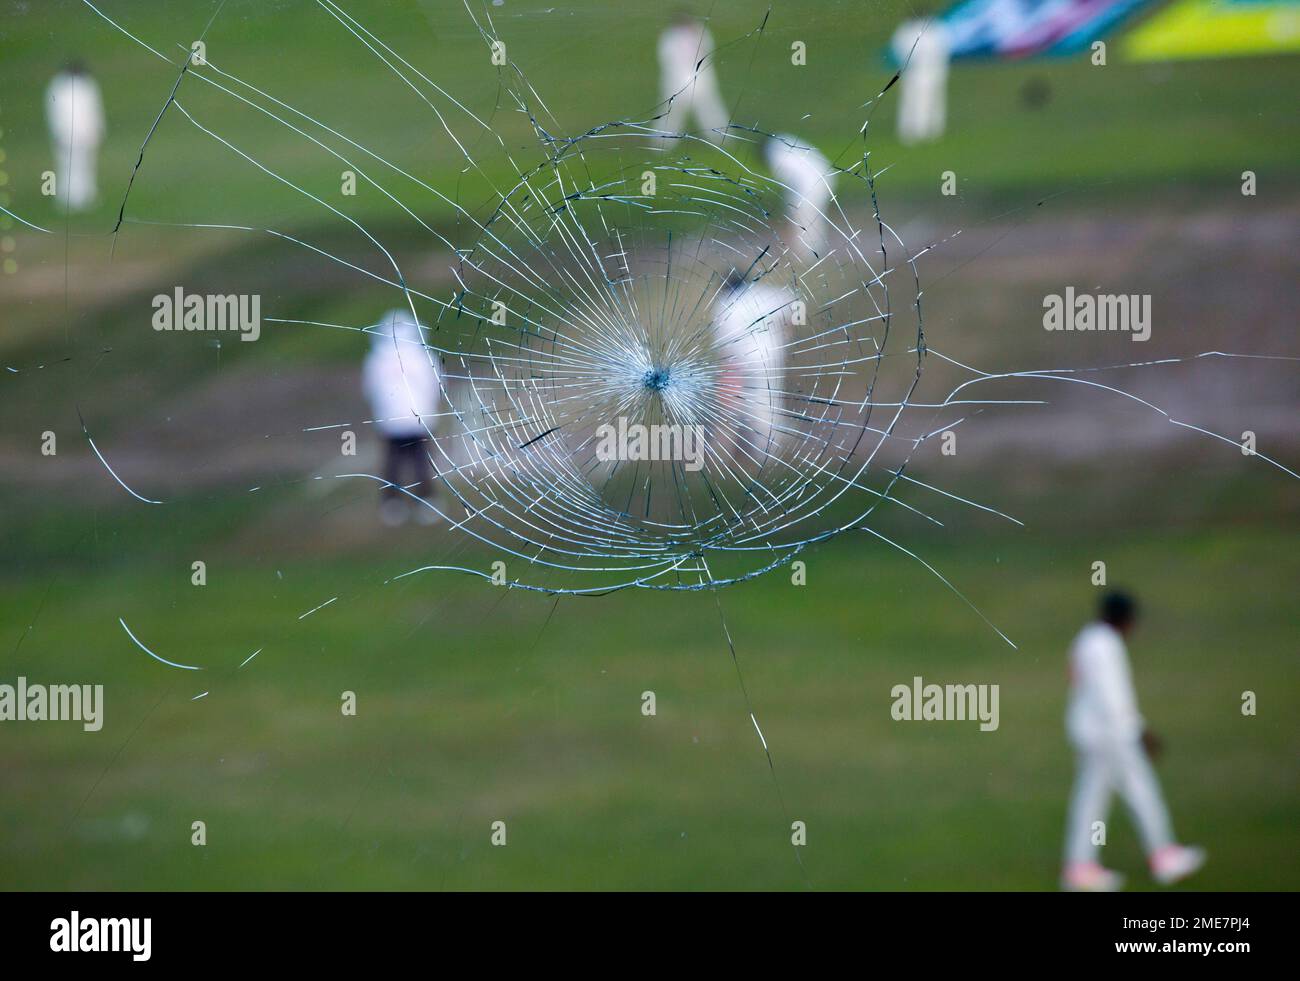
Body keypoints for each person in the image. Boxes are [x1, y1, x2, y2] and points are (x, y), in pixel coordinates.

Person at [1061, 591, 1206, 891]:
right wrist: (1139, 731)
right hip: (1109, 734)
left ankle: (1079, 867)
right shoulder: (1106, 645)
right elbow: (1113, 698)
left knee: (1092, 798)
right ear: (1124, 619)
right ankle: (1163, 856)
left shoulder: (1088, 639)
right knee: (1140, 790)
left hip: (1092, 731)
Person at [362, 309, 442, 527]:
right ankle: (426, 501)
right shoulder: (423, 356)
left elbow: (370, 389)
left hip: (390, 421)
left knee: (393, 462)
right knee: (421, 462)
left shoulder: (376, 359)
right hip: (420, 419)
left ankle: (392, 504)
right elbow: (435, 386)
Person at [710, 270, 794, 466]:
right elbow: (792, 301)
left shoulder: (725, 304)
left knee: (738, 407)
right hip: (771, 358)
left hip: (742, 361)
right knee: (768, 403)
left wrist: (727, 373)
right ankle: (766, 451)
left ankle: (735, 451)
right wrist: (788, 331)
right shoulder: (763, 295)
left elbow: (725, 345)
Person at [656, 11, 728, 143]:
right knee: (672, 114)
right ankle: (663, 142)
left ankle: (720, 138)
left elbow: (708, 53)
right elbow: (667, 60)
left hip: (701, 80)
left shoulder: (700, 33)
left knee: (709, 111)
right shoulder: (671, 37)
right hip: (678, 81)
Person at [45, 60, 106, 212]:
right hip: (66, 133)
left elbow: (95, 110)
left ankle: (86, 196)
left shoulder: (88, 85)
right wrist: (57, 133)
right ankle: (67, 198)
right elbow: (55, 113)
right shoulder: (58, 87)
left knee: (87, 165)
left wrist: (98, 129)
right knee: (67, 165)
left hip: (85, 132)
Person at [763, 134, 836, 259]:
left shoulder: (775, 153)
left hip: (810, 183)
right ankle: (807, 253)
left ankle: (807, 255)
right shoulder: (781, 145)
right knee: (808, 217)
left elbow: (789, 179)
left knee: (804, 216)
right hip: (820, 178)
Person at [889, 20, 950, 145]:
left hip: (932, 70)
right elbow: (900, 48)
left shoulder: (935, 29)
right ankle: (911, 131)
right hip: (912, 71)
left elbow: (943, 49)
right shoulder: (906, 30)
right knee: (910, 100)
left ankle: (931, 130)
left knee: (934, 101)